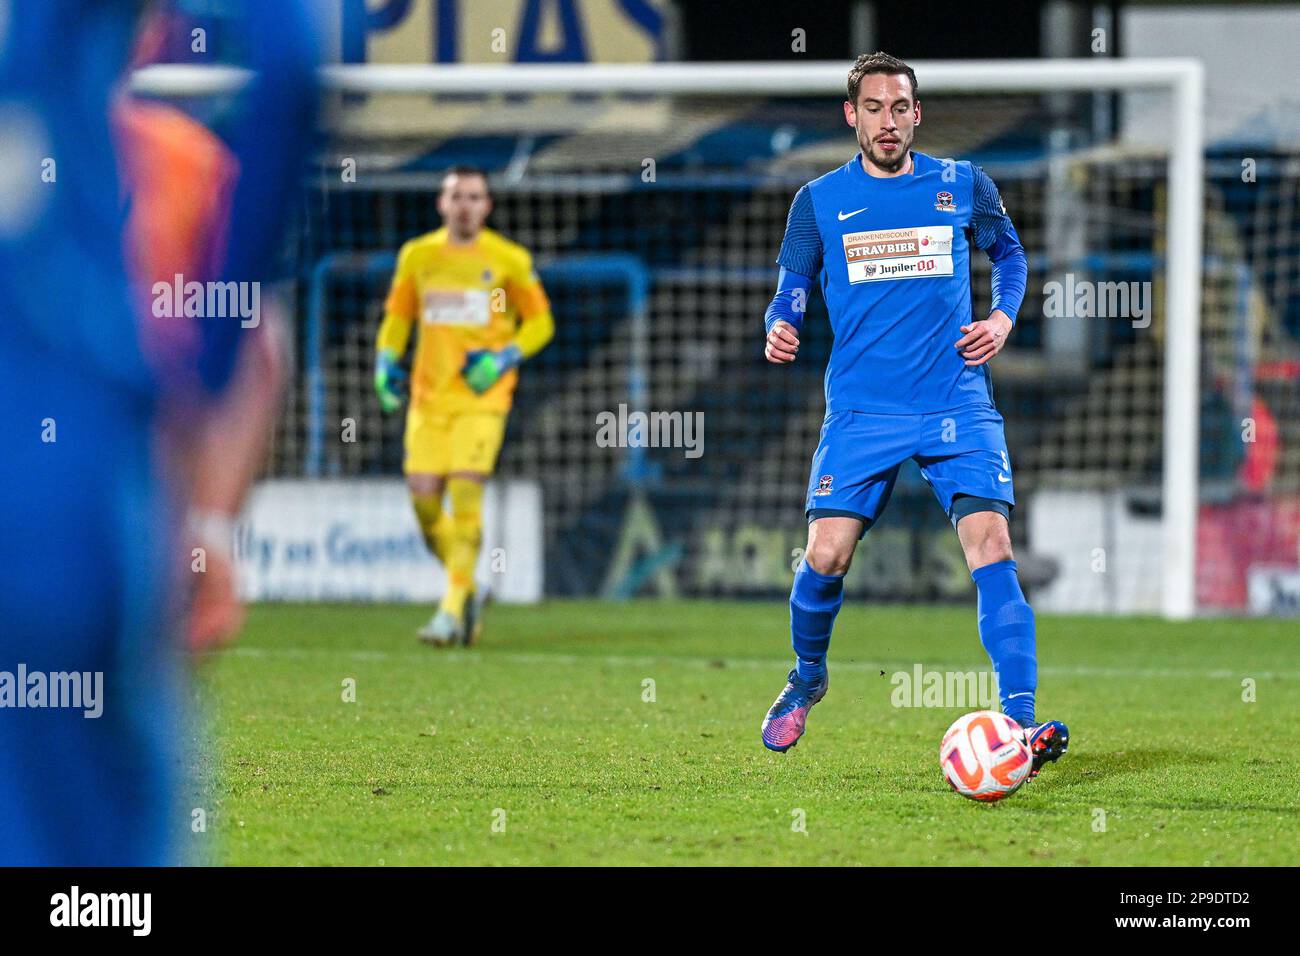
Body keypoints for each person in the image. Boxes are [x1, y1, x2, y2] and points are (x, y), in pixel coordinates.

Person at [759, 52, 1068, 778]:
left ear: (917, 113)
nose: (887, 121)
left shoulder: (962, 184)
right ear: (852, 116)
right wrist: (782, 324)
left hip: (955, 398)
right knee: (826, 555)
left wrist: (1002, 317)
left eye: (900, 107)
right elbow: (791, 287)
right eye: (873, 108)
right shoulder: (818, 201)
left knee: (990, 545)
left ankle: (1017, 728)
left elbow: (1012, 254)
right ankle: (808, 675)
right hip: (863, 407)